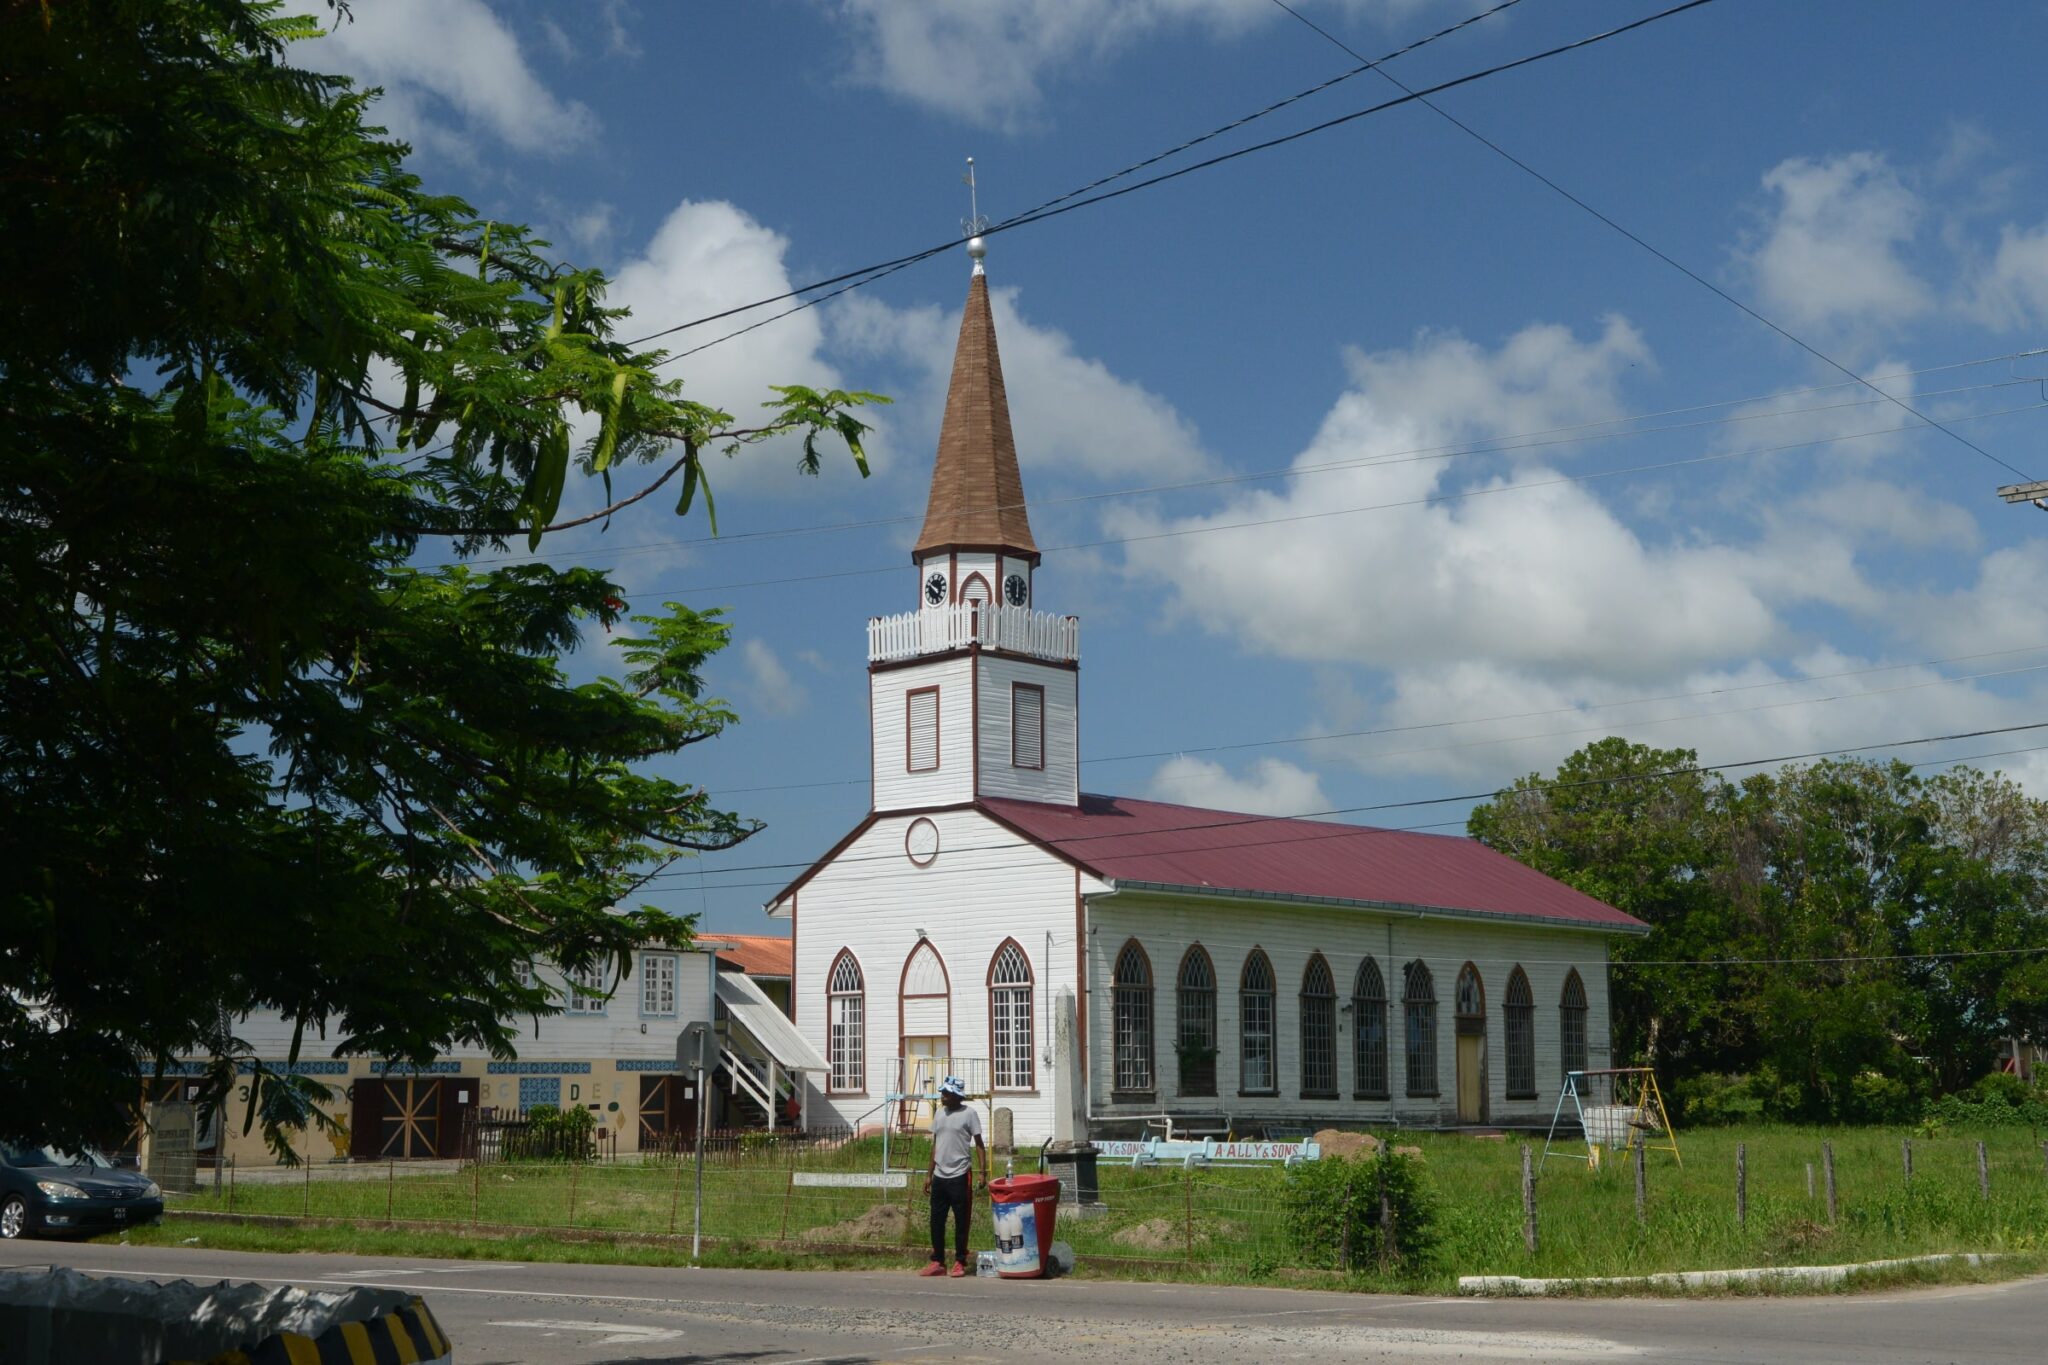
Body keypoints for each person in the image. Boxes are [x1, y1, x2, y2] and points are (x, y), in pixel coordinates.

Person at [919, 1074, 988, 1277]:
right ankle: (938, 1261)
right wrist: (929, 1174)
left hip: (960, 1175)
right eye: (942, 1093)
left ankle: (960, 1260)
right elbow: (935, 1145)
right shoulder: (939, 1114)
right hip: (940, 1176)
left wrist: (982, 1173)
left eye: (947, 1094)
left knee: (961, 1220)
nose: (943, 1097)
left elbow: (979, 1145)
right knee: (936, 1220)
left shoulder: (969, 1114)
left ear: (957, 1096)